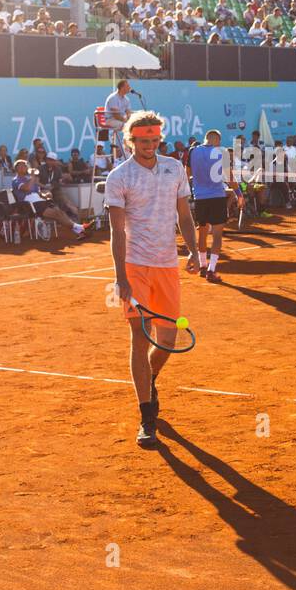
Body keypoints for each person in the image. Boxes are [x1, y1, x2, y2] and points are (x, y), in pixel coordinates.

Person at [104, 111, 199, 449]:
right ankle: (147, 417)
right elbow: (116, 231)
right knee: (139, 338)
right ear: (131, 140)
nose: (150, 146)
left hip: (167, 266)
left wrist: (194, 251)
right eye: (144, 140)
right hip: (135, 267)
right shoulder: (119, 177)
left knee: (168, 342)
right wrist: (121, 279)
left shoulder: (174, 168)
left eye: (155, 140)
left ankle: (151, 377)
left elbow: (184, 216)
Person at [188, 129, 231, 283]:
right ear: (217, 140)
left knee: (203, 233)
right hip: (217, 197)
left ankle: (203, 266)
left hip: (200, 198)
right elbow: (230, 176)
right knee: (217, 235)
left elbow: (188, 174)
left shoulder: (193, 151)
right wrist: (239, 194)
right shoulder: (222, 152)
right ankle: (211, 270)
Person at [104, 79, 134, 159]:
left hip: (120, 121)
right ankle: (124, 150)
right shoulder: (113, 98)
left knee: (131, 126)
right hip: (110, 120)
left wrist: (130, 120)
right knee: (126, 126)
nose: (129, 88)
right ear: (122, 87)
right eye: (127, 86)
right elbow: (116, 115)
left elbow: (128, 113)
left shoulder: (126, 99)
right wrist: (127, 122)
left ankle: (127, 149)